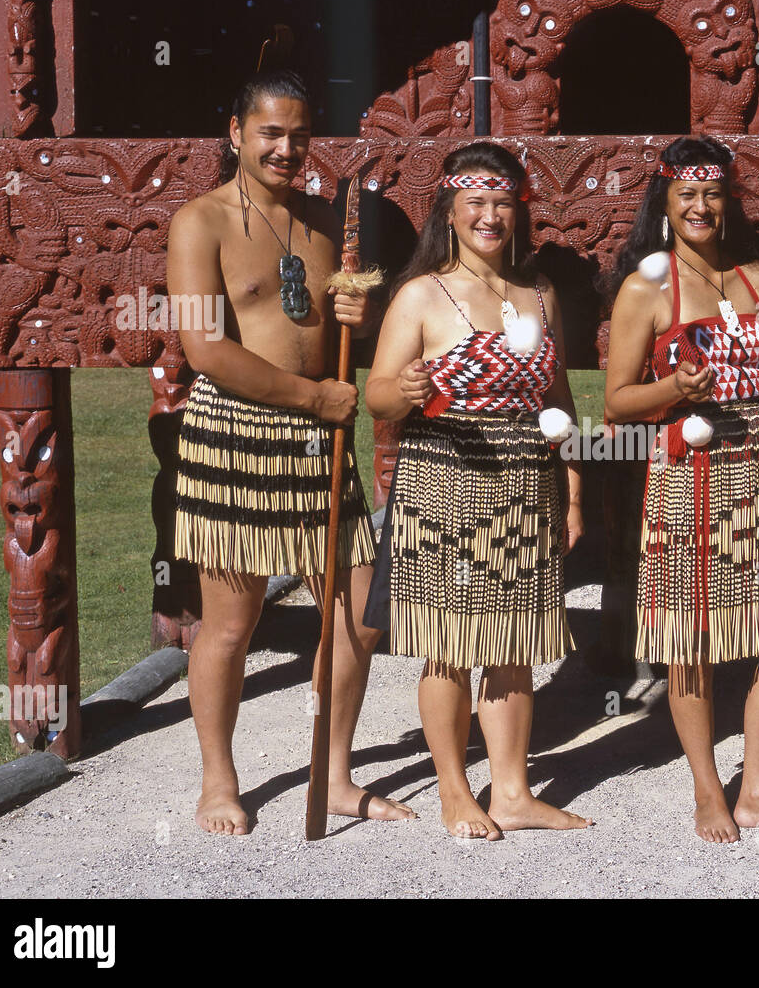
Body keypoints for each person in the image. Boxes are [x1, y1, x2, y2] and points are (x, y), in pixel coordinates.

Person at [167, 69, 414, 835]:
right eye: (270, 133)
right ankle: (218, 779)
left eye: (299, 136)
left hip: (318, 437)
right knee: (231, 623)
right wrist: (311, 398)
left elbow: (337, 328)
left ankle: (333, 774)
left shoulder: (323, 220)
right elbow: (204, 347)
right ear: (235, 133)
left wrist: (359, 312)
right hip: (234, 434)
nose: (285, 148)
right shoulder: (197, 222)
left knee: (361, 612)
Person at [363, 143, 592, 841]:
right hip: (443, 478)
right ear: (451, 210)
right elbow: (376, 395)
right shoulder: (420, 294)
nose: (490, 215)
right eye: (476, 203)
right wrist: (400, 390)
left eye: (502, 202)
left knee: (514, 639)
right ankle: (455, 791)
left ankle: (515, 790)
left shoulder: (541, 292)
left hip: (526, 480)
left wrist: (574, 493)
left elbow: (560, 403)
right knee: (448, 643)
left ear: (517, 207)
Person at [605, 136, 759, 844]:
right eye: (686, 194)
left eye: (713, 193)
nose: (701, 206)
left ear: (728, 200)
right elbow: (615, 402)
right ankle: (708, 788)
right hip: (686, 474)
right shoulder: (647, 284)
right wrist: (675, 387)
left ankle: (757, 788)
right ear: (665, 203)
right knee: (689, 639)